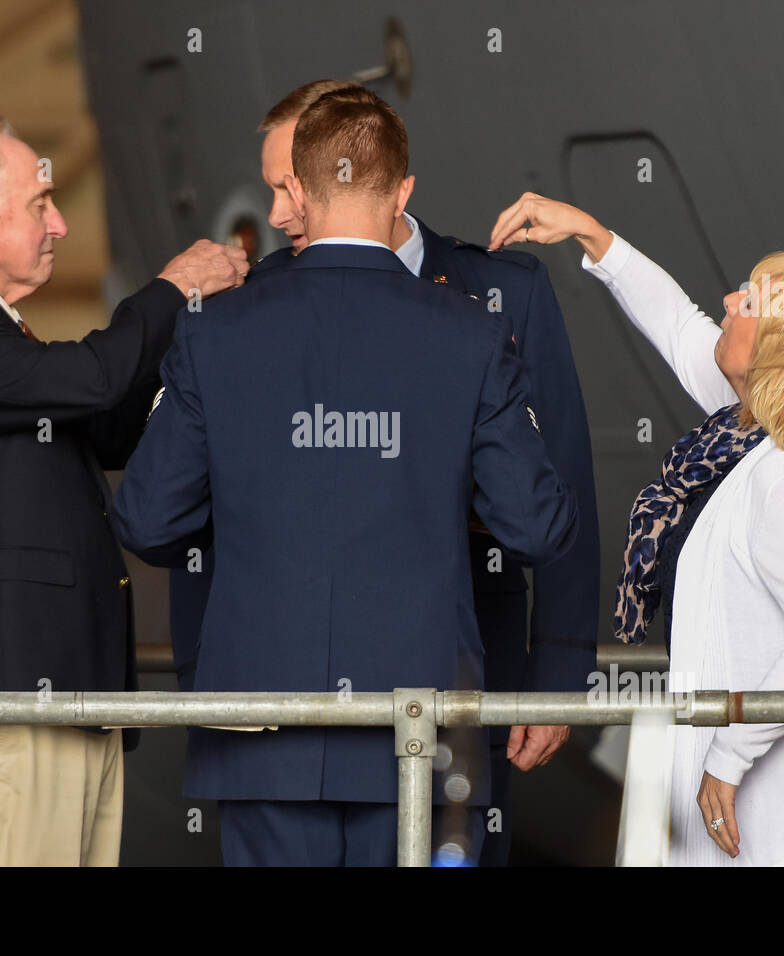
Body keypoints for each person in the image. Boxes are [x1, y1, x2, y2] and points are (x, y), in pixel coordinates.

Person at [114, 93, 578, 866]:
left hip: (261, 729)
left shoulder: (214, 330)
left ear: (297, 190)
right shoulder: (472, 332)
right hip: (416, 730)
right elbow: (537, 526)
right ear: (403, 193)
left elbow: (147, 521)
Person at [0, 119, 246, 866]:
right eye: (41, 202)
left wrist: (198, 352)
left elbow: (101, 424)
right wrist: (171, 290)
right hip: (3, 703)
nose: (60, 223)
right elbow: (89, 380)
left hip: (54, 699)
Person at [489, 194, 784, 866]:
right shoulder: (746, 433)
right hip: (777, 823)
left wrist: (730, 754)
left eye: (749, 300)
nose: (729, 302)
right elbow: (681, 327)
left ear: (782, 346)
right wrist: (593, 235)